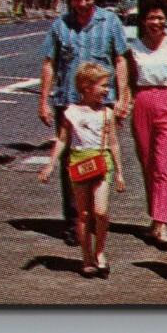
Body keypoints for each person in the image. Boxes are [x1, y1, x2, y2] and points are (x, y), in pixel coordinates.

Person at [39, 0, 131, 246]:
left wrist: (123, 97)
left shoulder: (110, 22)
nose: (82, 4)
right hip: (68, 102)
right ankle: (74, 222)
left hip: (102, 103)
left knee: (101, 159)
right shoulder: (60, 25)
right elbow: (49, 64)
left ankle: (96, 216)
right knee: (71, 163)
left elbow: (120, 59)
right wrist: (43, 100)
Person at [39, 62, 126, 278]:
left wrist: (120, 173)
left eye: (108, 86)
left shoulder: (107, 113)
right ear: (86, 87)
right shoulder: (71, 112)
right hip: (79, 162)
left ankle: (100, 251)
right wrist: (51, 164)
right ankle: (86, 257)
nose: (107, 90)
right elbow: (62, 139)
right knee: (84, 214)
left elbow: (114, 143)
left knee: (101, 211)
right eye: (103, 86)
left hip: (102, 160)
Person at [127, 0, 167, 250]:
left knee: (164, 166)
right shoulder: (133, 48)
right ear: (142, 20)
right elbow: (129, 83)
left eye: (161, 17)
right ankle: (155, 217)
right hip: (142, 103)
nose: (157, 22)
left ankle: (162, 222)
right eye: (152, 17)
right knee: (148, 164)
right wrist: (124, 104)